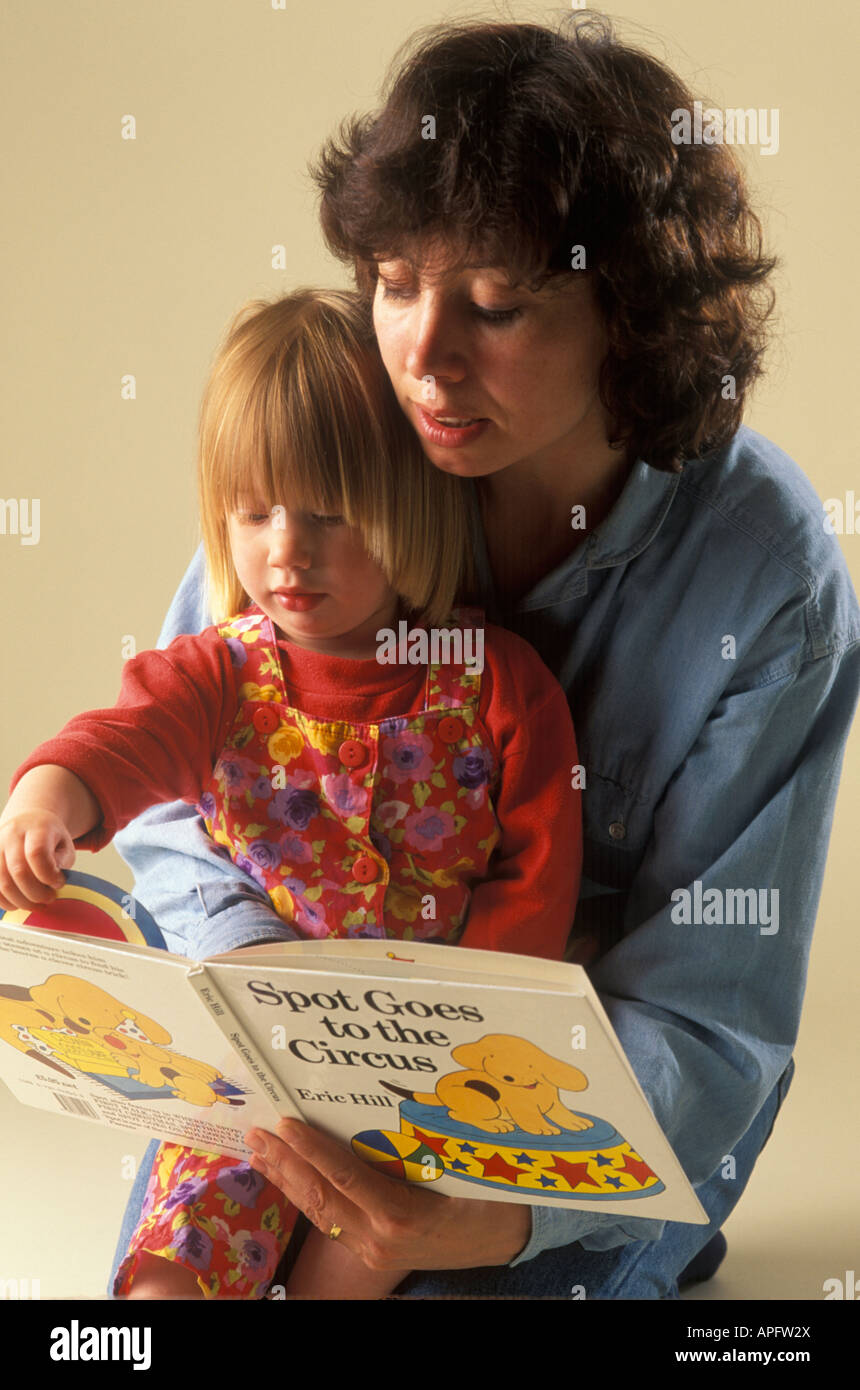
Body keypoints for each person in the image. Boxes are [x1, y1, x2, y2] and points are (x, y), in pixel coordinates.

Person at [106, 14, 857, 1299]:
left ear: (629, 318)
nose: (421, 358)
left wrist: (486, 1219)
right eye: (393, 282)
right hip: (299, 1048)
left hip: (586, 1104)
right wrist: (270, 983)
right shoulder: (344, 443)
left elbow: (706, 1023)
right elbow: (182, 773)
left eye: (495, 304)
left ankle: (651, 1244)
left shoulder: (768, 580)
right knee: (166, 1287)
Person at [0, 288, 583, 1299]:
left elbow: (532, 884)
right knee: (178, 1252)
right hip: (249, 1068)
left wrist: (459, 1040)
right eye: (254, 510)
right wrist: (52, 798)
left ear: (411, 502)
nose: (286, 549)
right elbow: (126, 737)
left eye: (329, 514)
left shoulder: (493, 682)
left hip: (415, 1078)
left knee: (358, 1253)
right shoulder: (219, 673)